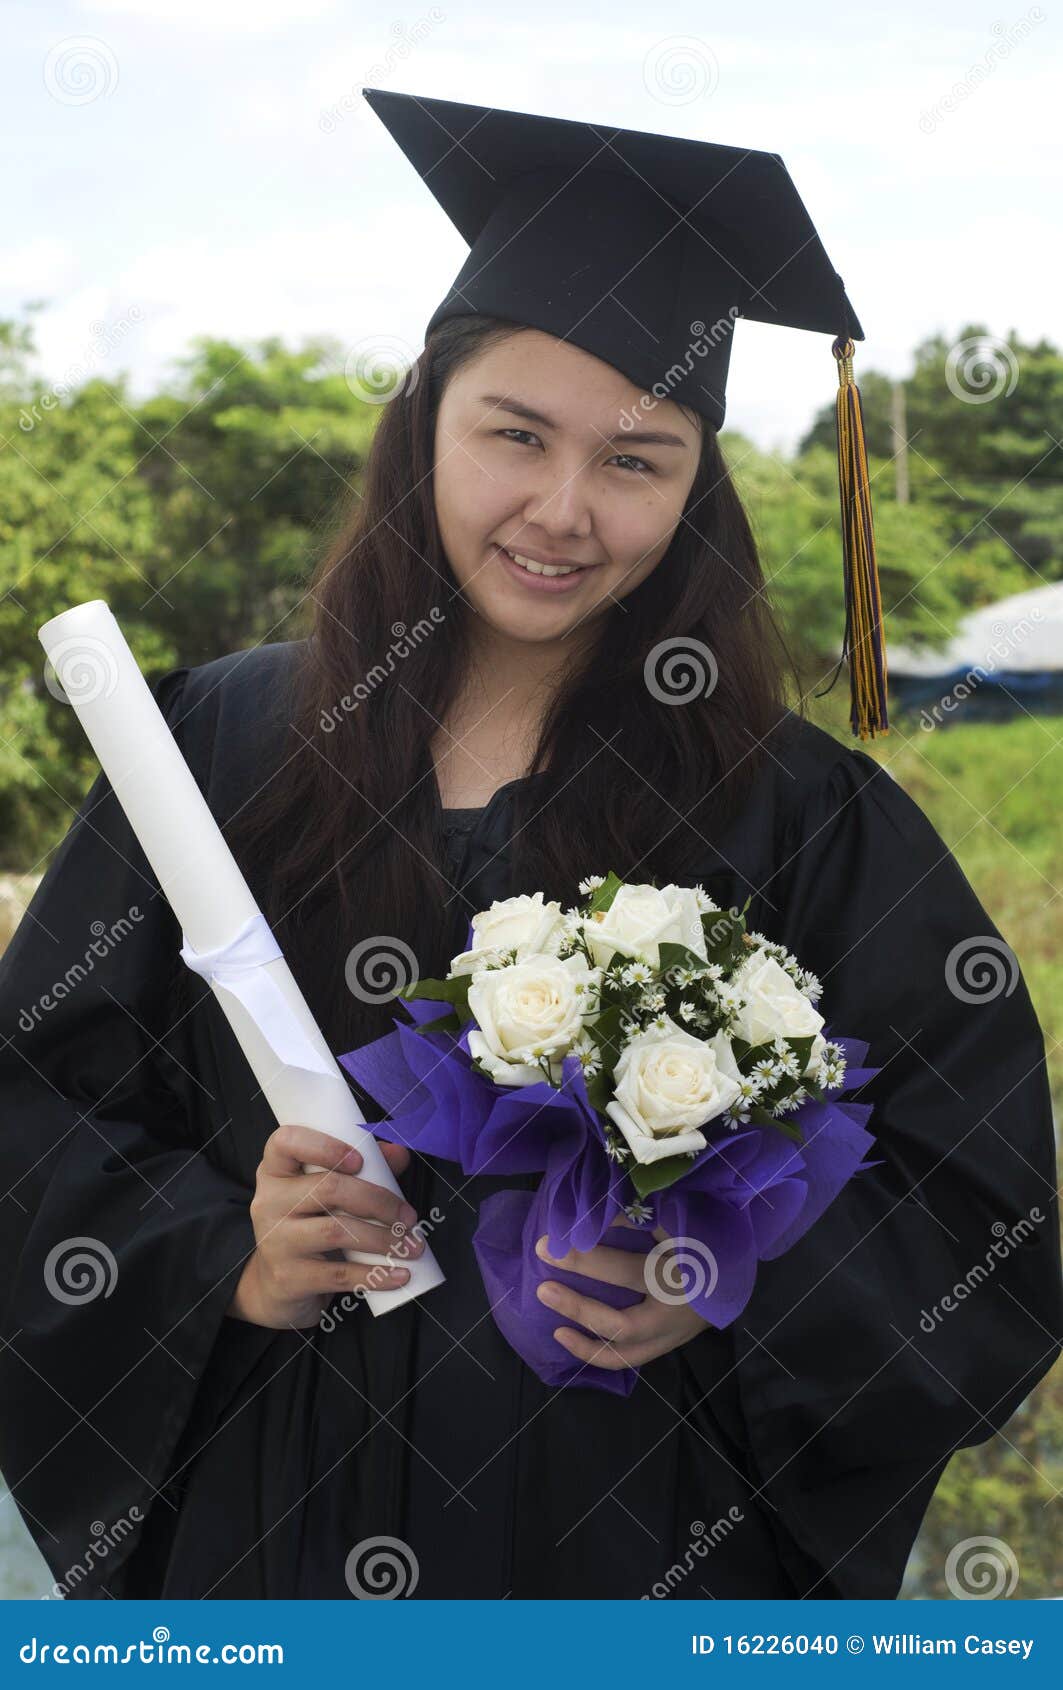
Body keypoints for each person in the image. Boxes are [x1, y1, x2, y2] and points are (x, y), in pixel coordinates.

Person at [0, 91, 1059, 1602]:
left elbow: (979, 1199)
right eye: (515, 435)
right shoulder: (213, 756)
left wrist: (735, 1280)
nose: (564, 511)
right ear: (425, 416)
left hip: (646, 1542)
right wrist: (214, 1253)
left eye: (639, 458)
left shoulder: (795, 810)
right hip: (274, 1536)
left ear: (700, 484)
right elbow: (33, 1112)